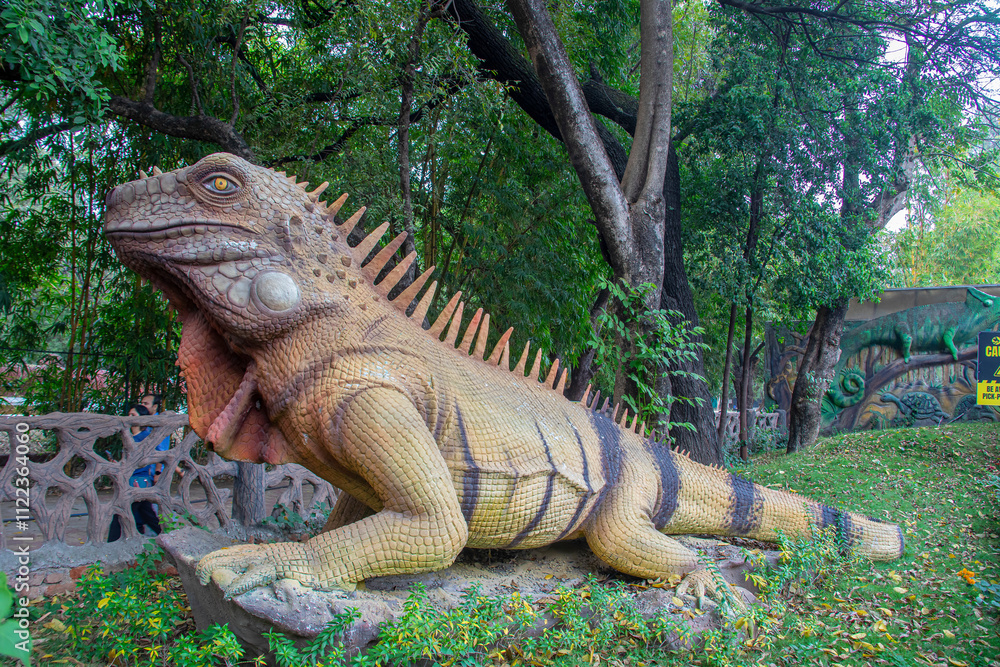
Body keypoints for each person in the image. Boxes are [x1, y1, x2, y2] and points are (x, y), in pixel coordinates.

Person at [107, 403, 168, 541]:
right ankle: (167, 536)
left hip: (138, 482)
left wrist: (157, 474)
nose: (129, 417)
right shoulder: (129, 437)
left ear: (142, 419)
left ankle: (111, 544)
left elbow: (159, 455)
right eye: (128, 415)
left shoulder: (145, 437)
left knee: (122, 513)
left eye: (133, 415)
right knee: (145, 514)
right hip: (131, 481)